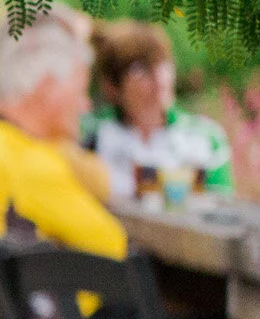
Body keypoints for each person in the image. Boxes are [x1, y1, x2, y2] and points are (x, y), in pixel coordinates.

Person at [0, 20, 127, 319]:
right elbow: (113, 247)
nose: (85, 104)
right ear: (48, 87)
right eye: (81, 90)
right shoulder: (26, 162)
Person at [89, 20, 233, 203]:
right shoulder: (94, 137)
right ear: (112, 85)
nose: (159, 77)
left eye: (162, 63)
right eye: (140, 69)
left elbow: (224, 212)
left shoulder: (205, 138)